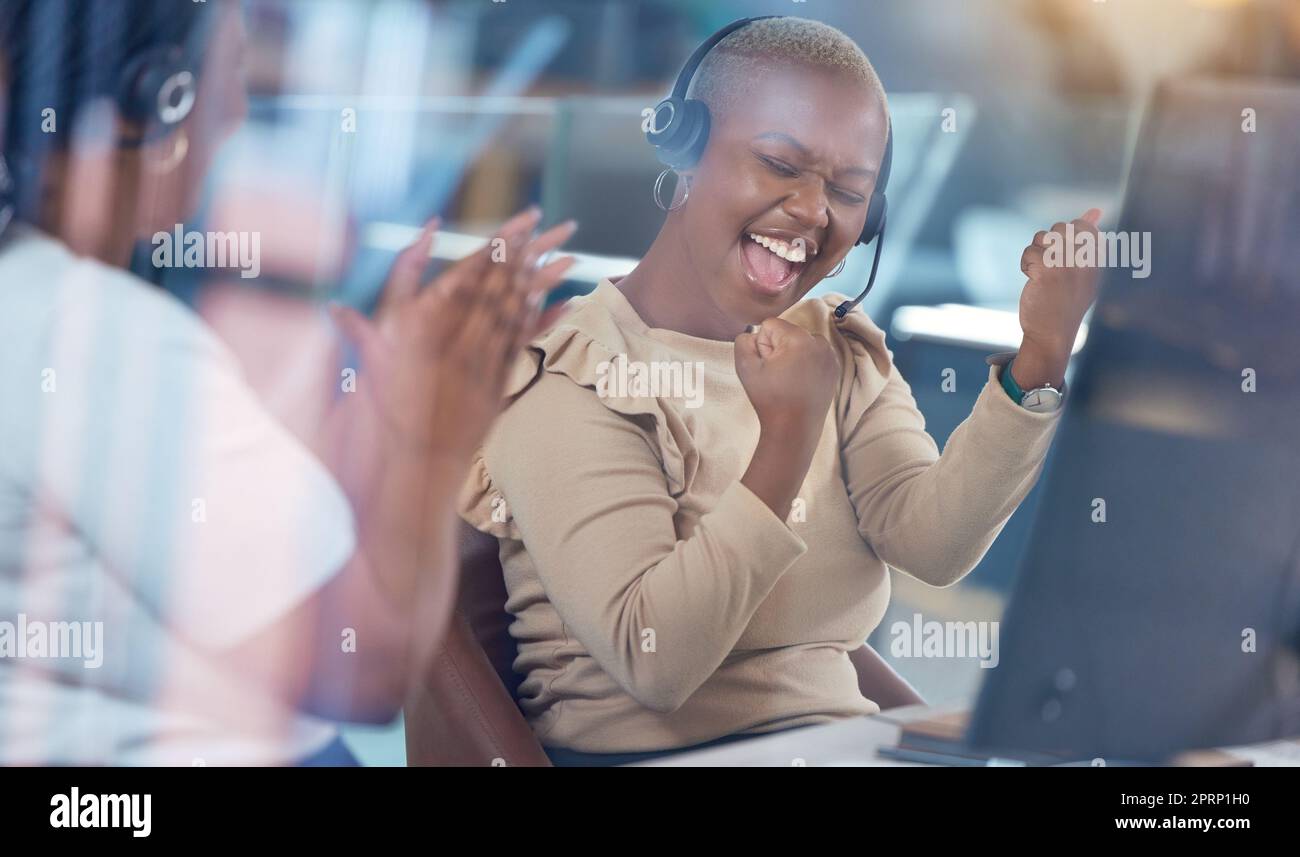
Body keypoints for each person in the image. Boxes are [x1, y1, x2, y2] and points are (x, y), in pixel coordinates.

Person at [458, 16, 1101, 765]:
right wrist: (786, 437)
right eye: (779, 164)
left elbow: (932, 541)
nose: (812, 211)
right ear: (686, 150)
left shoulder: (834, 346)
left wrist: (1043, 353)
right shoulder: (576, 375)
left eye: (849, 190)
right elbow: (652, 659)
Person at [0, 0, 575, 764]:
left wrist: (388, 410)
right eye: (229, 73)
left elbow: (283, 548)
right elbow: (362, 669)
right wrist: (442, 433)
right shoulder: (103, 337)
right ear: (158, 99)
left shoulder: (43, 301)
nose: (235, 114)